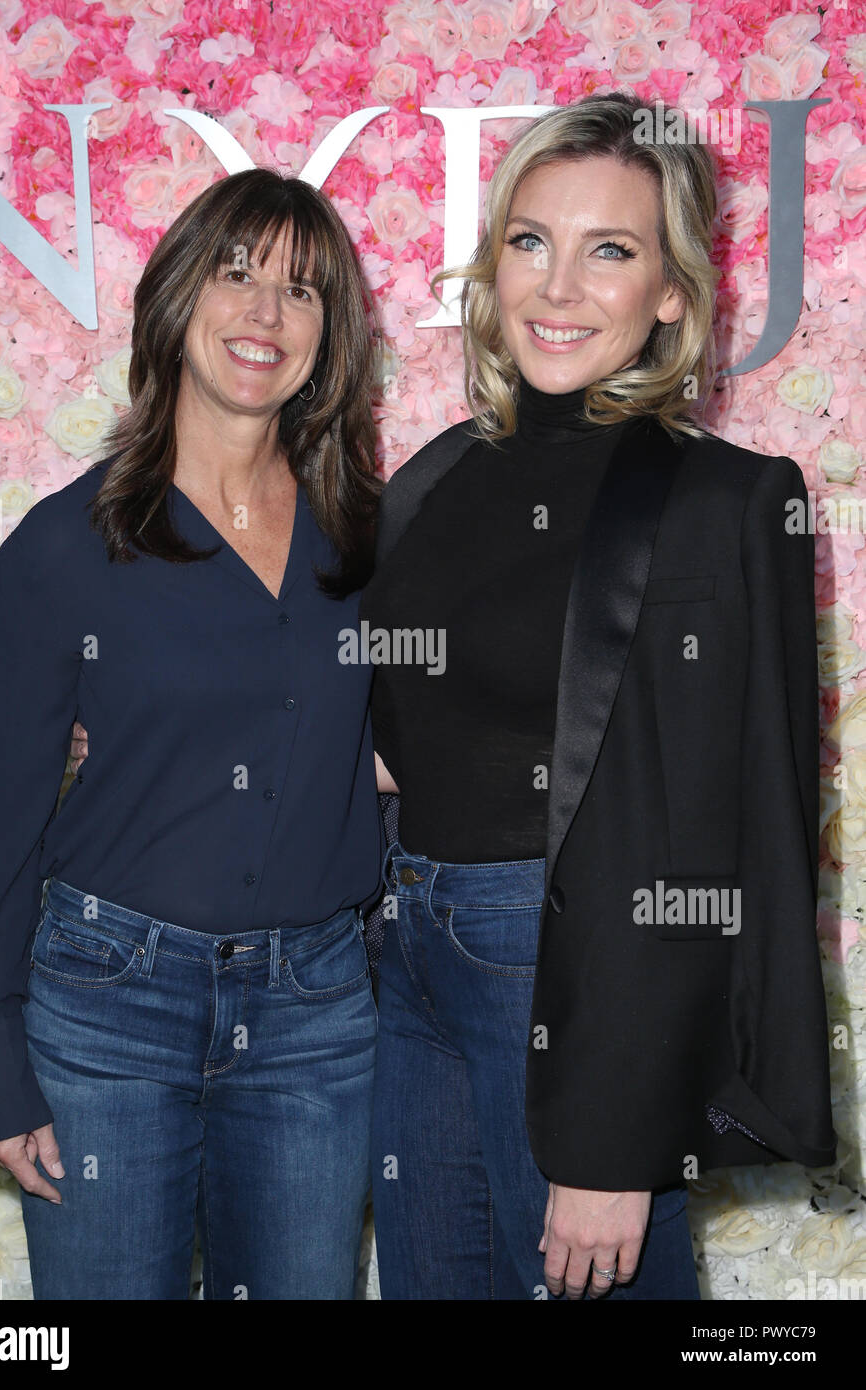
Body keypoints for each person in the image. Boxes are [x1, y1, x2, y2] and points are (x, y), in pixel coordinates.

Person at [359, 91, 836, 1301]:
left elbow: (724, 839)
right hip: (407, 955)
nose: (557, 287)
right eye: (531, 241)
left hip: (570, 983)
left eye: (608, 250)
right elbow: (388, 724)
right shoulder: (436, 473)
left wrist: (623, 1137)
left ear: (672, 291)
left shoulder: (728, 500)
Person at [0, 168, 385, 1300]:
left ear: (328, 335)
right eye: (236, 274)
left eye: (302, 292)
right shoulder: (63, 547)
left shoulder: (370, 540)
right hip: (109, 1009)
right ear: (176, 295)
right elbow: (6, 816)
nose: (264, 315)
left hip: (315, 1014)